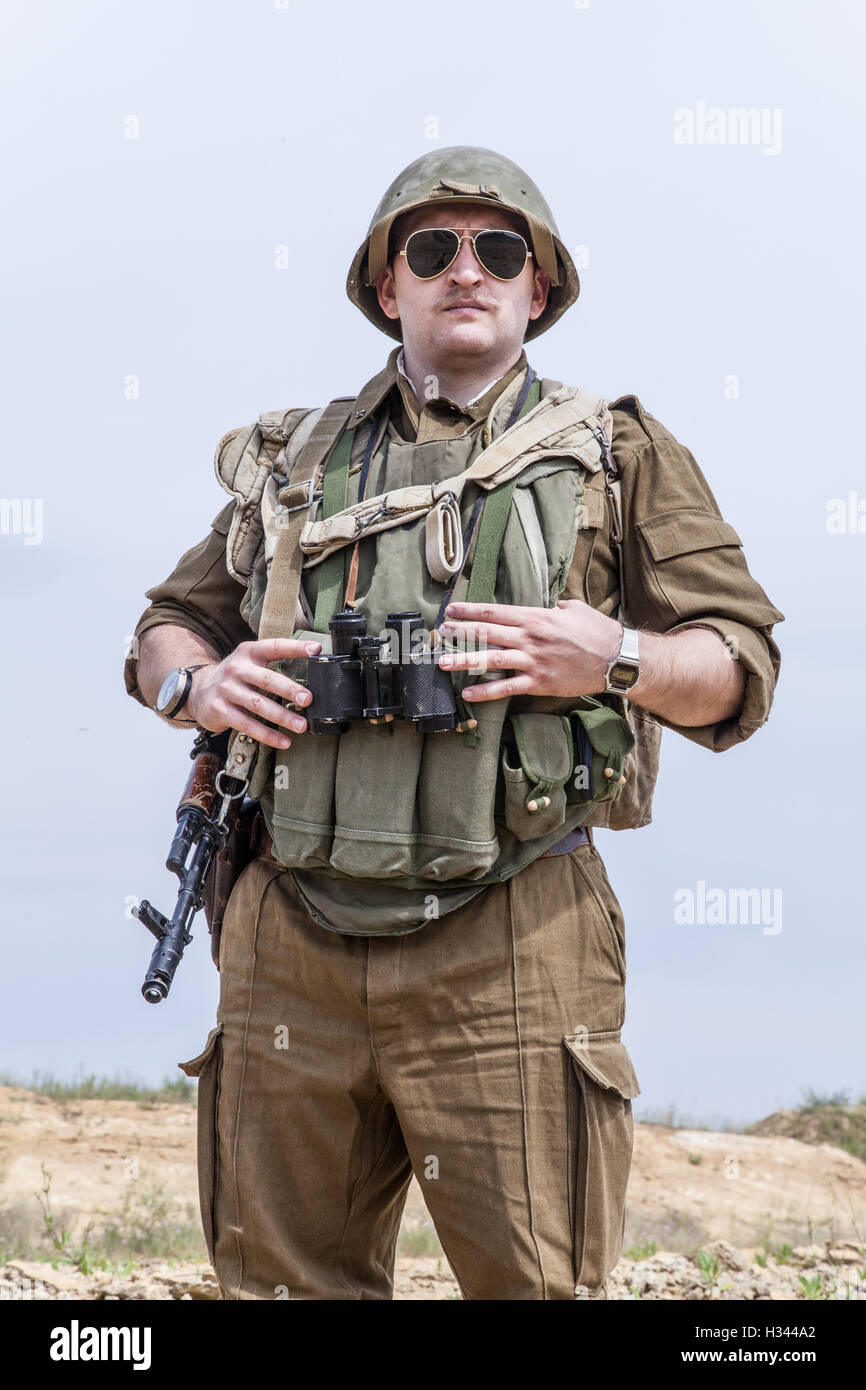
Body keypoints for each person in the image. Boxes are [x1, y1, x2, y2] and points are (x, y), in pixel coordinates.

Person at [124, 146, 784, 1301]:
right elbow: (167, 626)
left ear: (540, 284)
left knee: (531, 1284)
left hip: (513, 932)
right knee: (277, 1288)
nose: (463, 271)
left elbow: (737, 667)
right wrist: (195, 686)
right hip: (292, 933)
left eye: (498, 249)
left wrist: (614, 654)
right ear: (389, 286)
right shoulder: (295, 460)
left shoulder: (616, 454)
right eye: (430, 250)